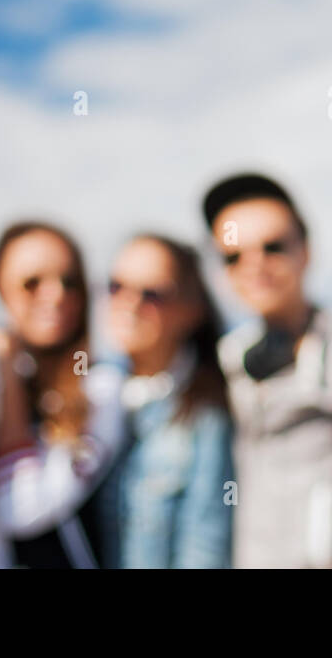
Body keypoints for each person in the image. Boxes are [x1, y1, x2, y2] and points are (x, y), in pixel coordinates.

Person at [203, 172, 332, 568]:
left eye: (273, 247)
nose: (255, 266)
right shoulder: (225, 361)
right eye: (233, 256)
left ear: (306, 250)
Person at [0, 222, 124, 568]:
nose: (56, 294)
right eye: (32, 283)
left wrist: (4, 373)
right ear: (1, 289)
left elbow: (22, 509)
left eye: (69, 281)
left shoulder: (102, 388)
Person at [92, 234, 234, 568]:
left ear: (191, 310)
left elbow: (204, 549)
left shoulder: (203, 418)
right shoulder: (94, 400)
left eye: (152, 294)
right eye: (116, 286)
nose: (129, 303)